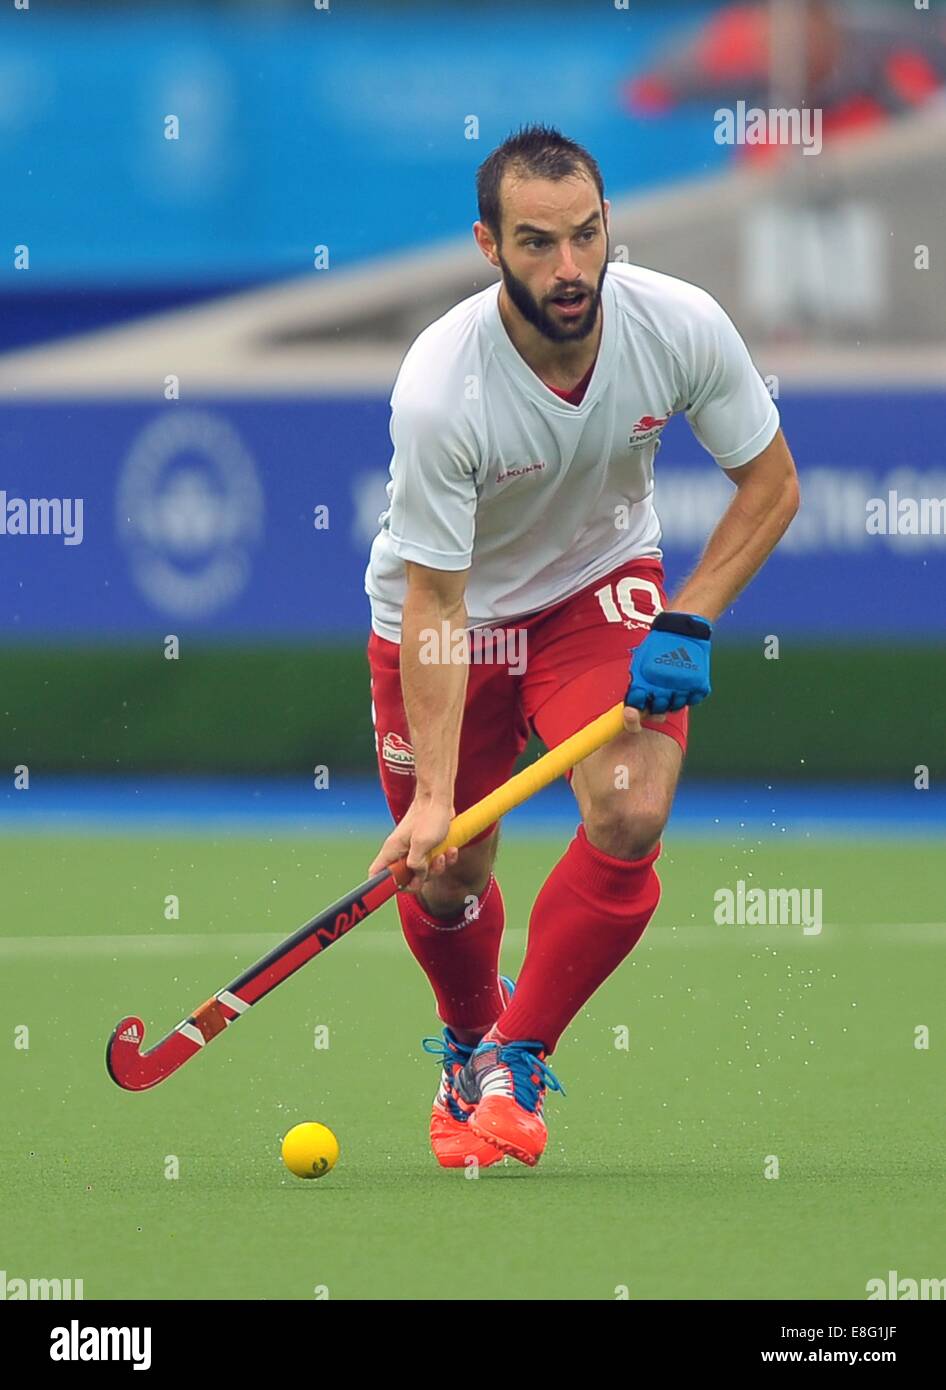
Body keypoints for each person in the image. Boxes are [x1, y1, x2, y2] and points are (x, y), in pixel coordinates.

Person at [364, 124, 799, 1170]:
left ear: (609, 227)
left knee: (630, 804)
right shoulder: (440, 388)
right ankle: (468, 1036)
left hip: (596, 591)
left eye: (586, 236)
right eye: (536, 244)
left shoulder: (678, 323)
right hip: (447, 622)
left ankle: (515, 1055)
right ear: (487, 246)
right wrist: (431, 800)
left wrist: (686, 615)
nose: (569, 269)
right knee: (446, 870)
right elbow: (435, 600)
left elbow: (772, 484)